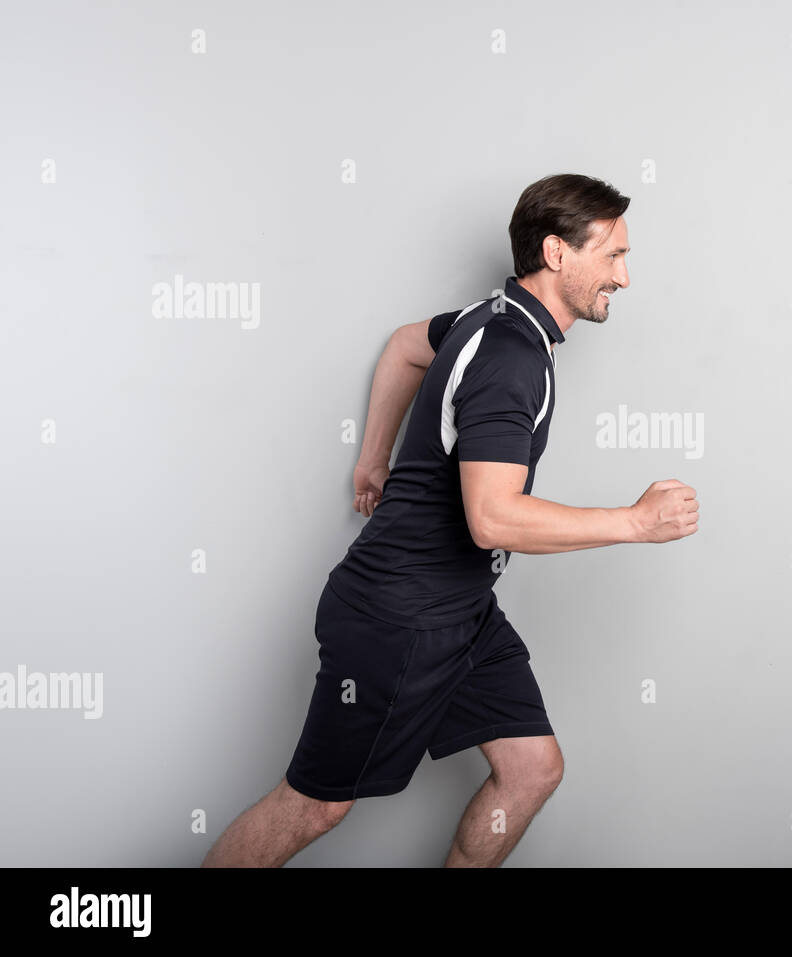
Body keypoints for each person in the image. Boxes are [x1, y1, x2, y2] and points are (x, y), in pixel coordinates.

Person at [200, 173, 699, 867]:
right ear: (557, 253)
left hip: (460, 610)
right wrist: (635, 523)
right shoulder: (510, 358)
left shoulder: (491, 318)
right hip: (397, 617)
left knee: (531, 767)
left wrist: (372, 459)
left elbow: (406, 344)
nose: (625, 274)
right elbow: (492, 518)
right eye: (613, 255)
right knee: (314, 804)